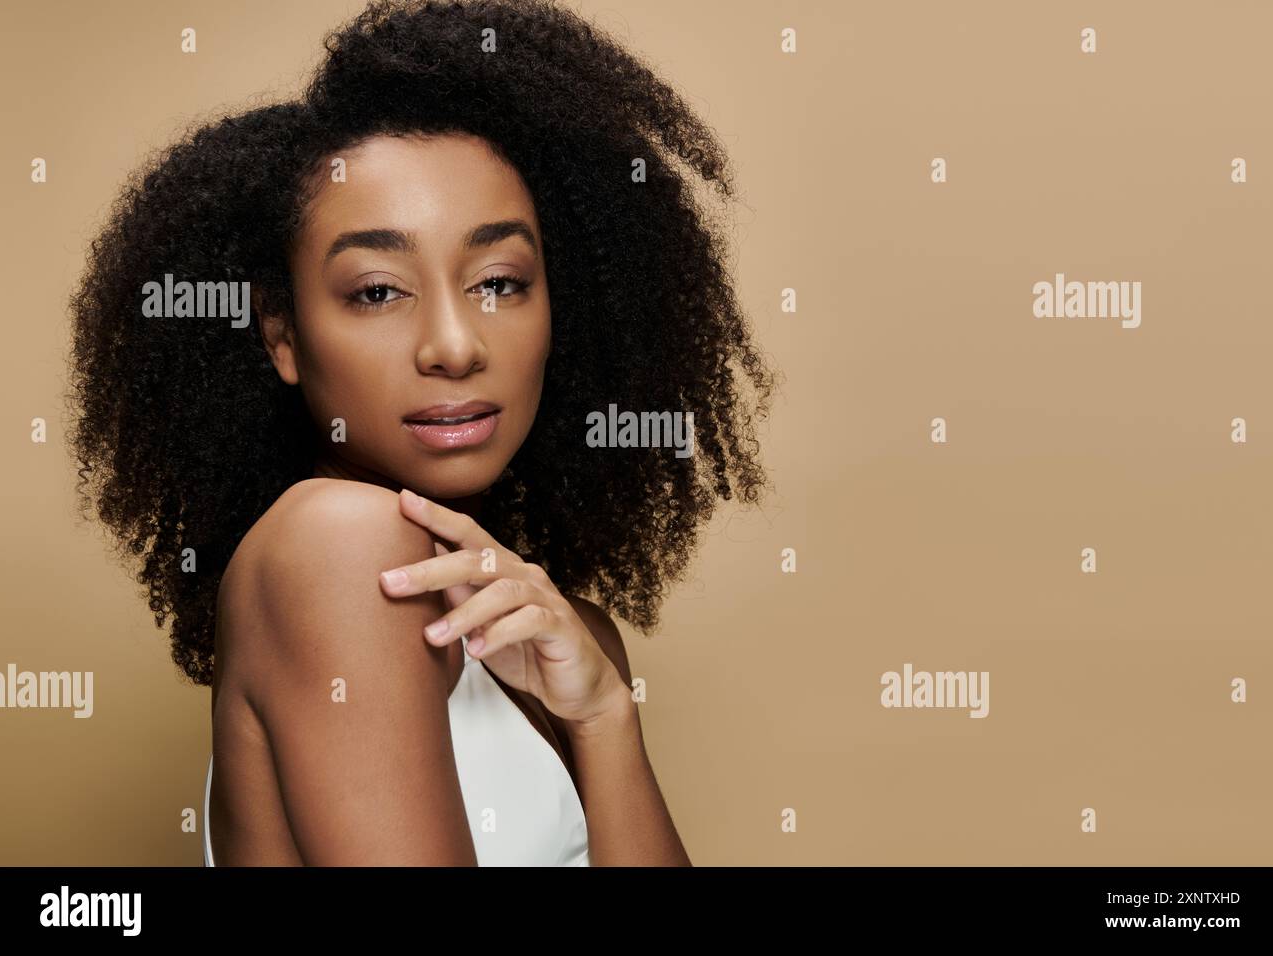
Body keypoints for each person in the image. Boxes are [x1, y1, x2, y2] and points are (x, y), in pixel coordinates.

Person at [68, 0, 778, 865]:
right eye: (376, 290)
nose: (453, 345)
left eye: (500, 281)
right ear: (281, 336)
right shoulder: (338, 547)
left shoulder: (569, 641)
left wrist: (603, 717)